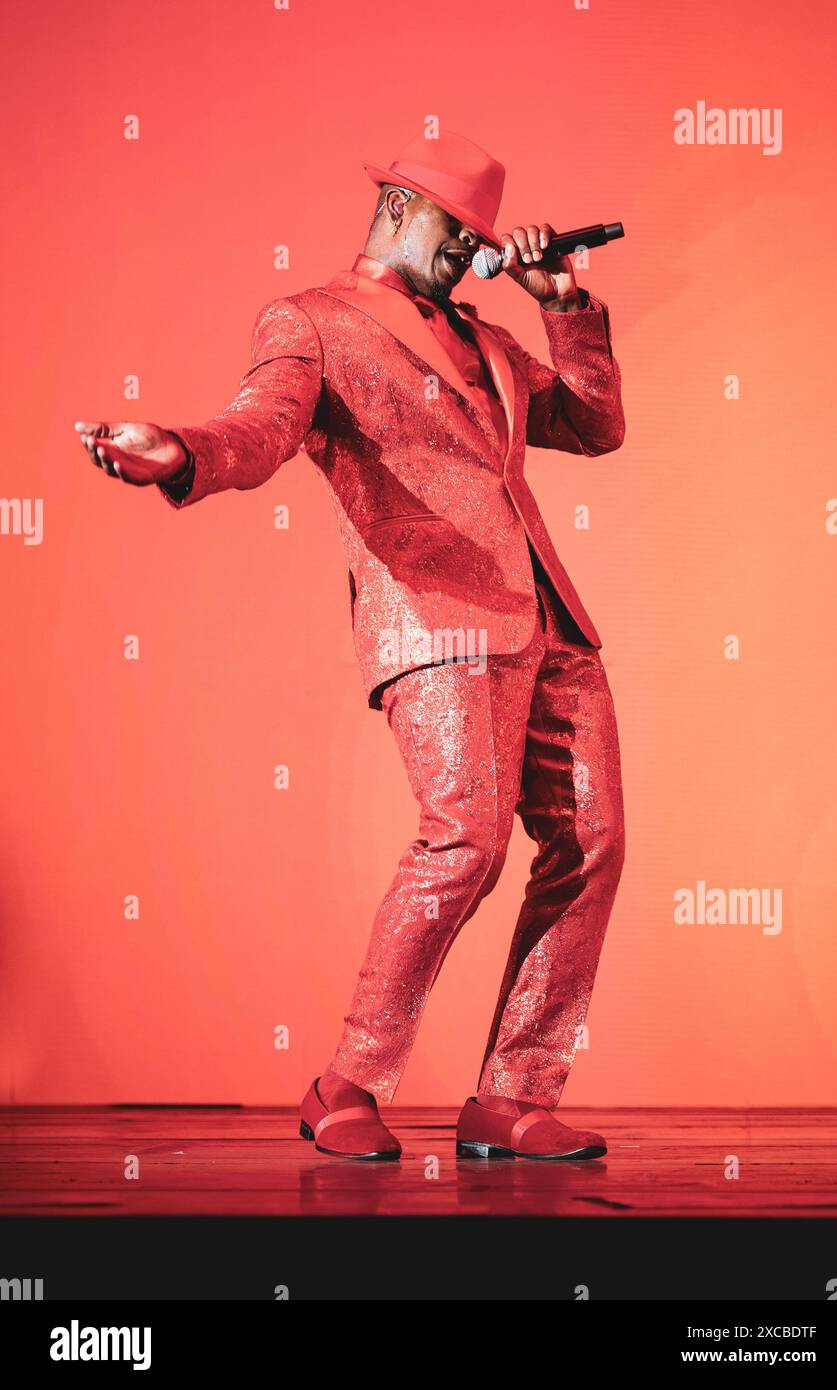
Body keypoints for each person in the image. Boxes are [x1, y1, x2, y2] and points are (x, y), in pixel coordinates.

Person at [75, 130, 626, 1162]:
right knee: (467, 839)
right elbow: (261, 425)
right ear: (394, 211)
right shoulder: (315, 325)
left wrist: (558, 303)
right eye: (453, 237)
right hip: (436, 619)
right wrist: (181, 450)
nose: (467, 259)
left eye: (480, 245)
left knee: (591, 845)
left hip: (552, 618)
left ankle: (511, 1094)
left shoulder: (493, 346)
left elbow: (595, 427)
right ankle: (347, 1080)